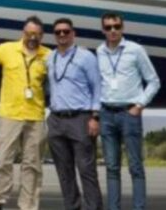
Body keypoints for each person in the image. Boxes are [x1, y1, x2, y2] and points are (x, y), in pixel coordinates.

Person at [0, 15, 50, 210]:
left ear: (42, 36)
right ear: (23, 33)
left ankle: (28, 205)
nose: (32, 37)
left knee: (32, 165)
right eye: (29, 33)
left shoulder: (48, 56)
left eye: (37, 34)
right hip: (10, 115)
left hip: (35, 117)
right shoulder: (7, 49)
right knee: (3, 160)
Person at [97, 12, 160, 210]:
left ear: (122, 28)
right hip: (107, 114)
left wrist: (139, 105)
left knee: (135, 166)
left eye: (116, 26)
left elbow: (153, 81)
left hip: (129, 114)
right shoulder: (99, 51)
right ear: (103, 30)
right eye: (108, 27)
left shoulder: (135, 50)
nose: (113, 30)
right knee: (111, 168)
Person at [45, 17, 102, 210]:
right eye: (58, 32)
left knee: (86, 170)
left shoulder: (86, 57)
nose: (62, 34)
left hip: (80, 118)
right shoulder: (50, 58)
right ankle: (72, 207)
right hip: (56, 120)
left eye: (66, 31)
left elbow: (97, 87)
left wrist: (95, 117)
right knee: (64, 172)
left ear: (73, 33)